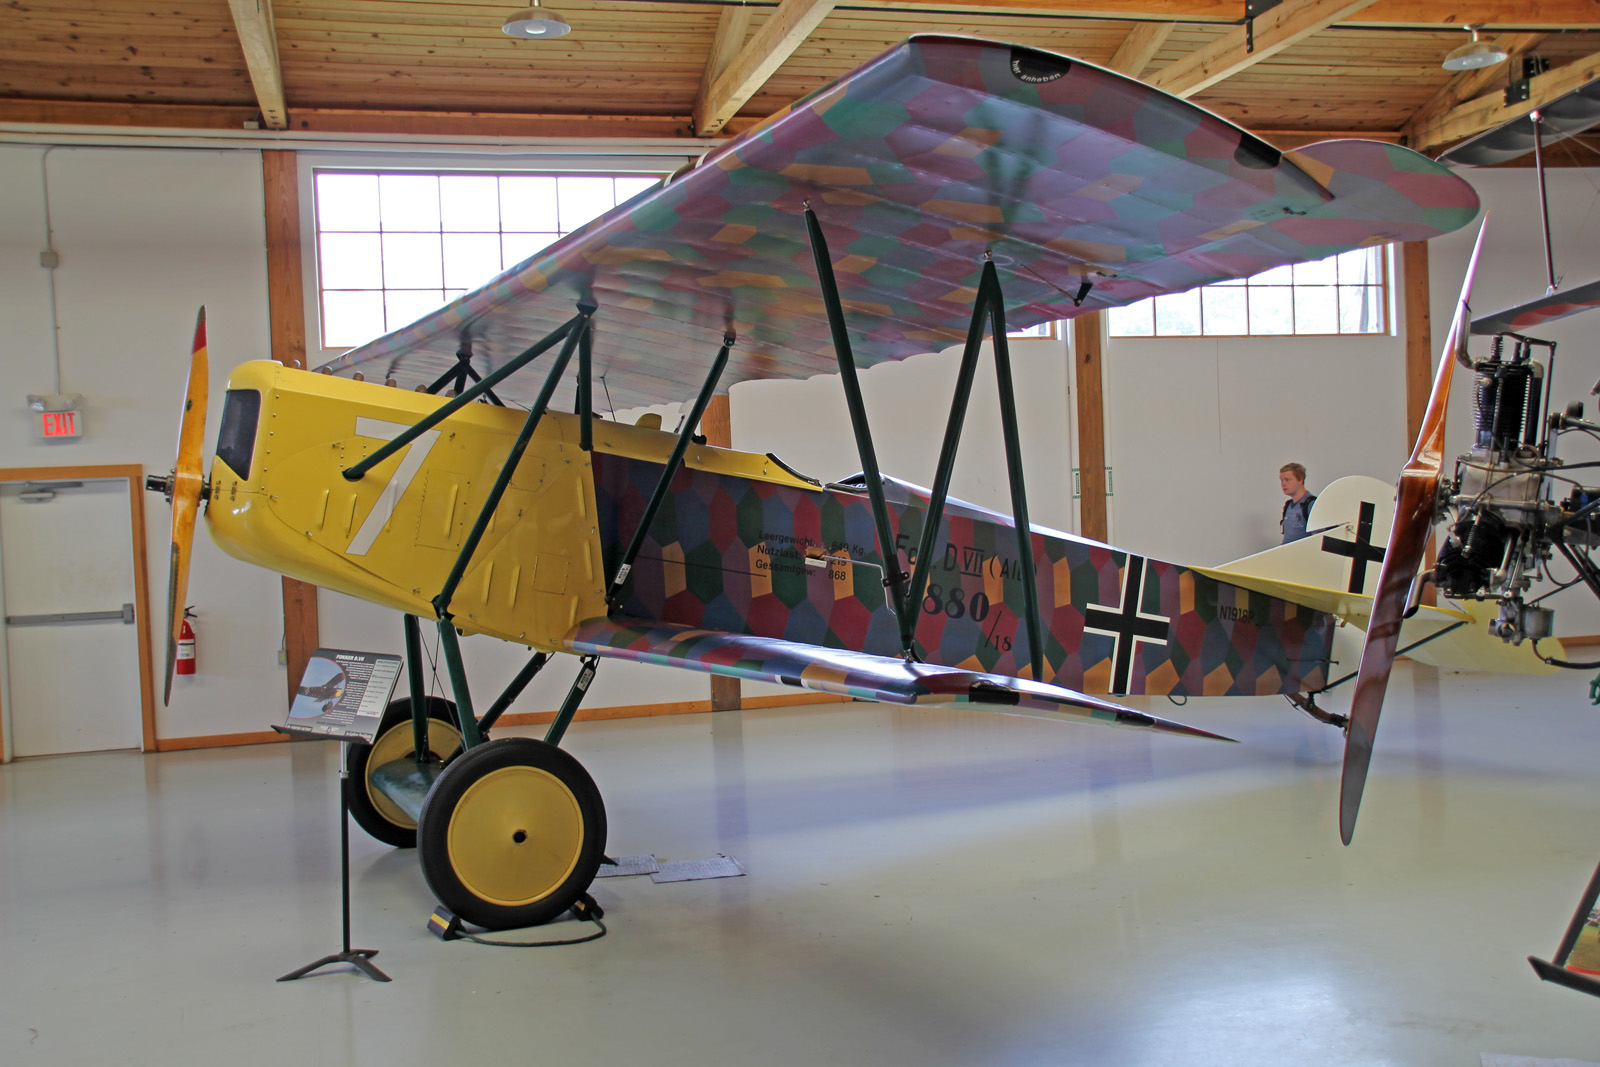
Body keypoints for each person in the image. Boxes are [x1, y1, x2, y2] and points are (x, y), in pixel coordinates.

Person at [1280, 462, 1317, 544]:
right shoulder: (1288, 506)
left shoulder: (1311, 505)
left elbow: (1319, 537)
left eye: (1287, 480)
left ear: (1300, 480)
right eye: (1282, 480)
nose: (1283, 484)